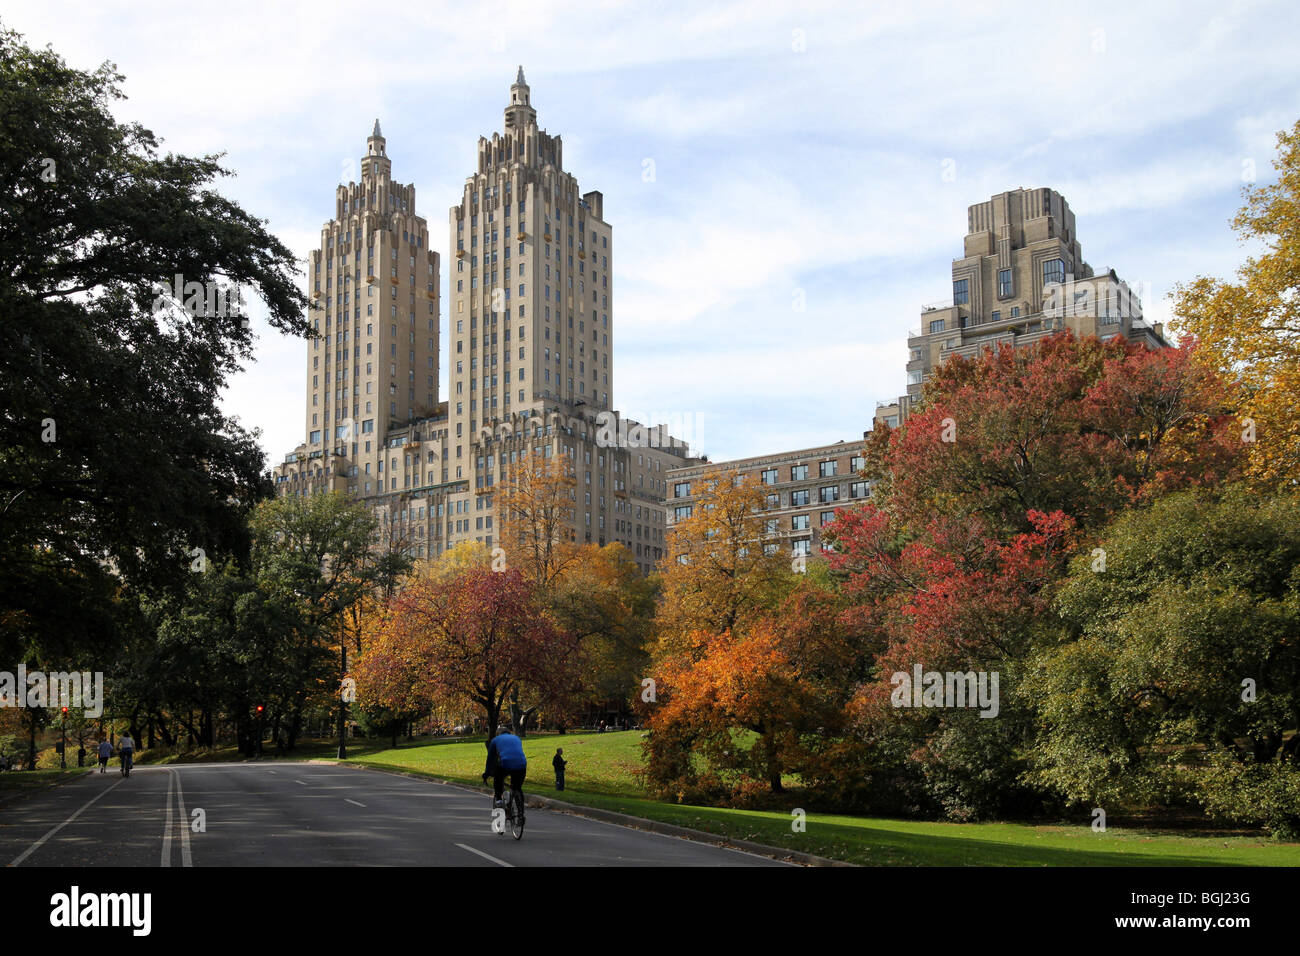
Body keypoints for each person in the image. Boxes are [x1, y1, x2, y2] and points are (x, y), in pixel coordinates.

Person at [483, 726, 526, 808]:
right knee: (517, 787)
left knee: (498, 778)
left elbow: (490, 759)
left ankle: (498, 799)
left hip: (506, 763)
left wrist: (487, 773)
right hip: (522, 764)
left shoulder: (495, 740)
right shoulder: (517, 738)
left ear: (497, 734)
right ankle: (520, 809)